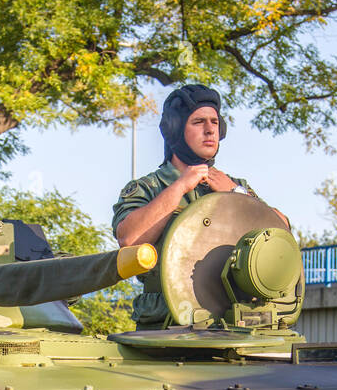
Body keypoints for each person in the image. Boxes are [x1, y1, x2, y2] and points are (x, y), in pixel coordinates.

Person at [112, 83, 290, 328]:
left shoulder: (235, 187)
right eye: (198, 122)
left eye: (215, 123)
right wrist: (179, 187)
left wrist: (236, 195)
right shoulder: (150, 187)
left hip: (236, 323)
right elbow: (129, 239)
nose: (210, 131)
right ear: (175, 130)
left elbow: (282, 233)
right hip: (168, 325)